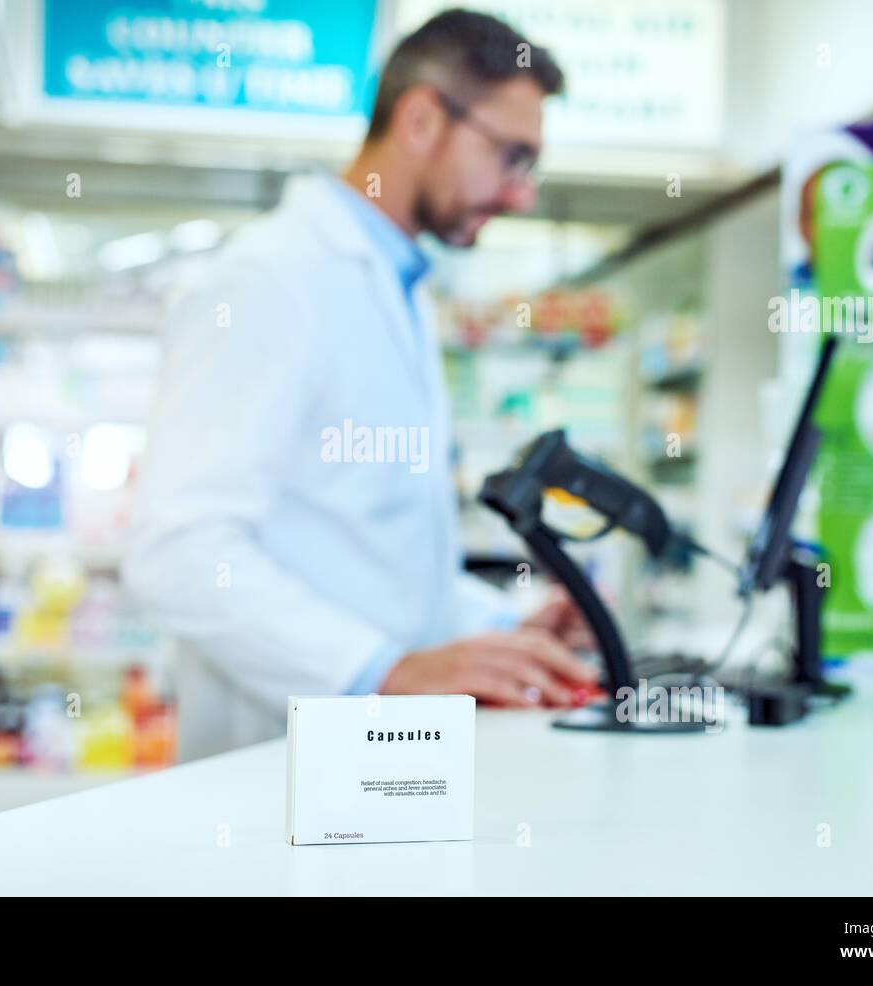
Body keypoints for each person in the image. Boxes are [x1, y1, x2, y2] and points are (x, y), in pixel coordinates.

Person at [124, 9, 595, 761]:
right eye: (512, 157)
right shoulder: (268, 279)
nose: (521, 196)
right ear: (419, 120)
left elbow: (369, 552)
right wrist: (382, 672)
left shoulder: (399, 285)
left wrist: (506, 631)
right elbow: (177, 550)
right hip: (273, 771)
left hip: (380, 772)